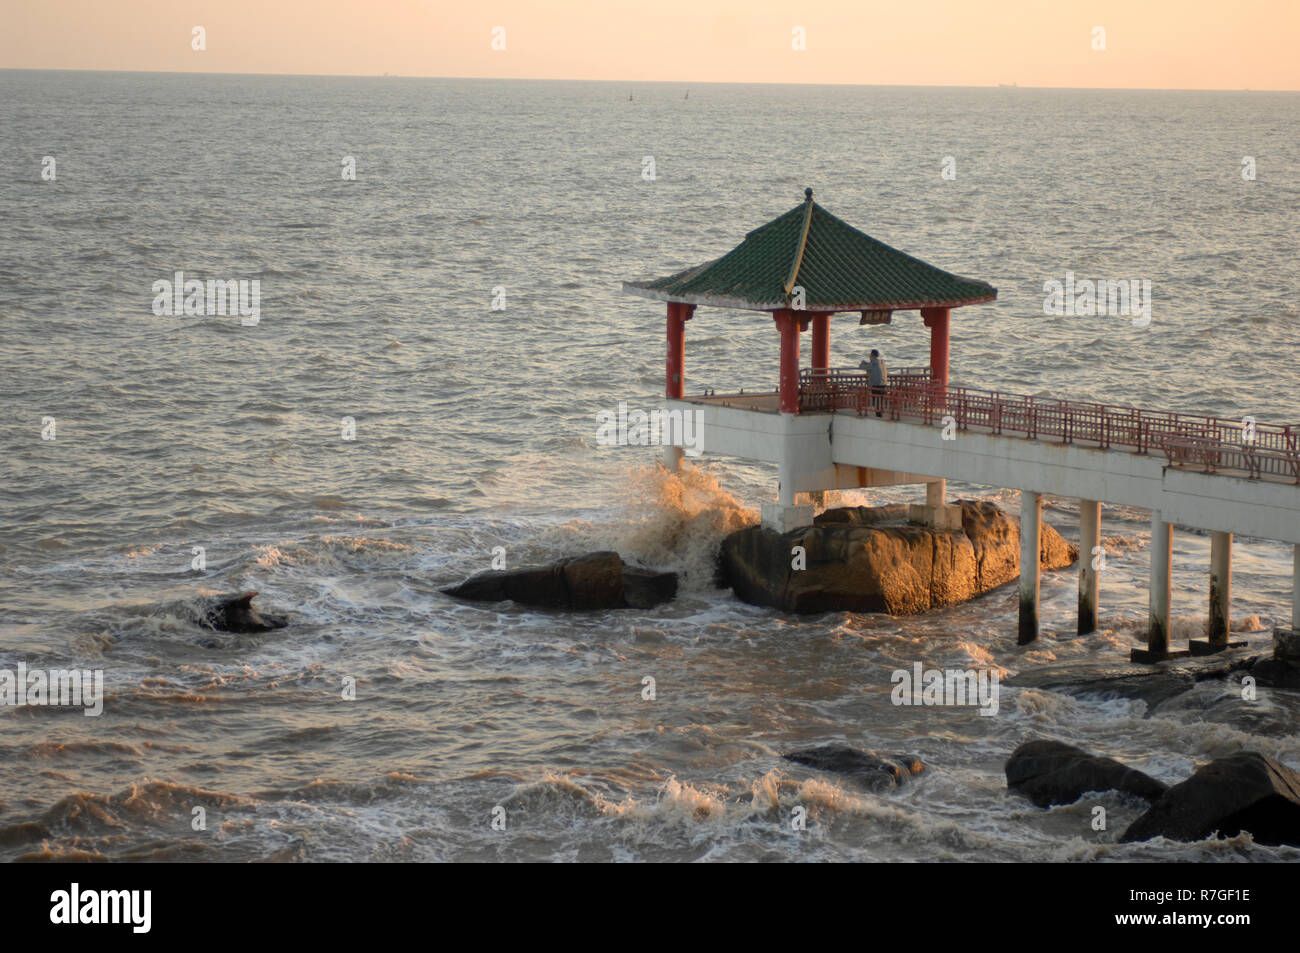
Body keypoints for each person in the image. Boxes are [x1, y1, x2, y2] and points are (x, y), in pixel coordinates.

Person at [862, 349, 888, 417]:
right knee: (881, 399)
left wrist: (862, 363)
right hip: (883, 384)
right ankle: (881, 412)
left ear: (872, 355)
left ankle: (878, 413)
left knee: (875, 399)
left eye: (870, 355)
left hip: (876, 384)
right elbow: (872, 366)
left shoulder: (873, 362)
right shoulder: (882, 362)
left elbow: (861, 367)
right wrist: (867, 363)